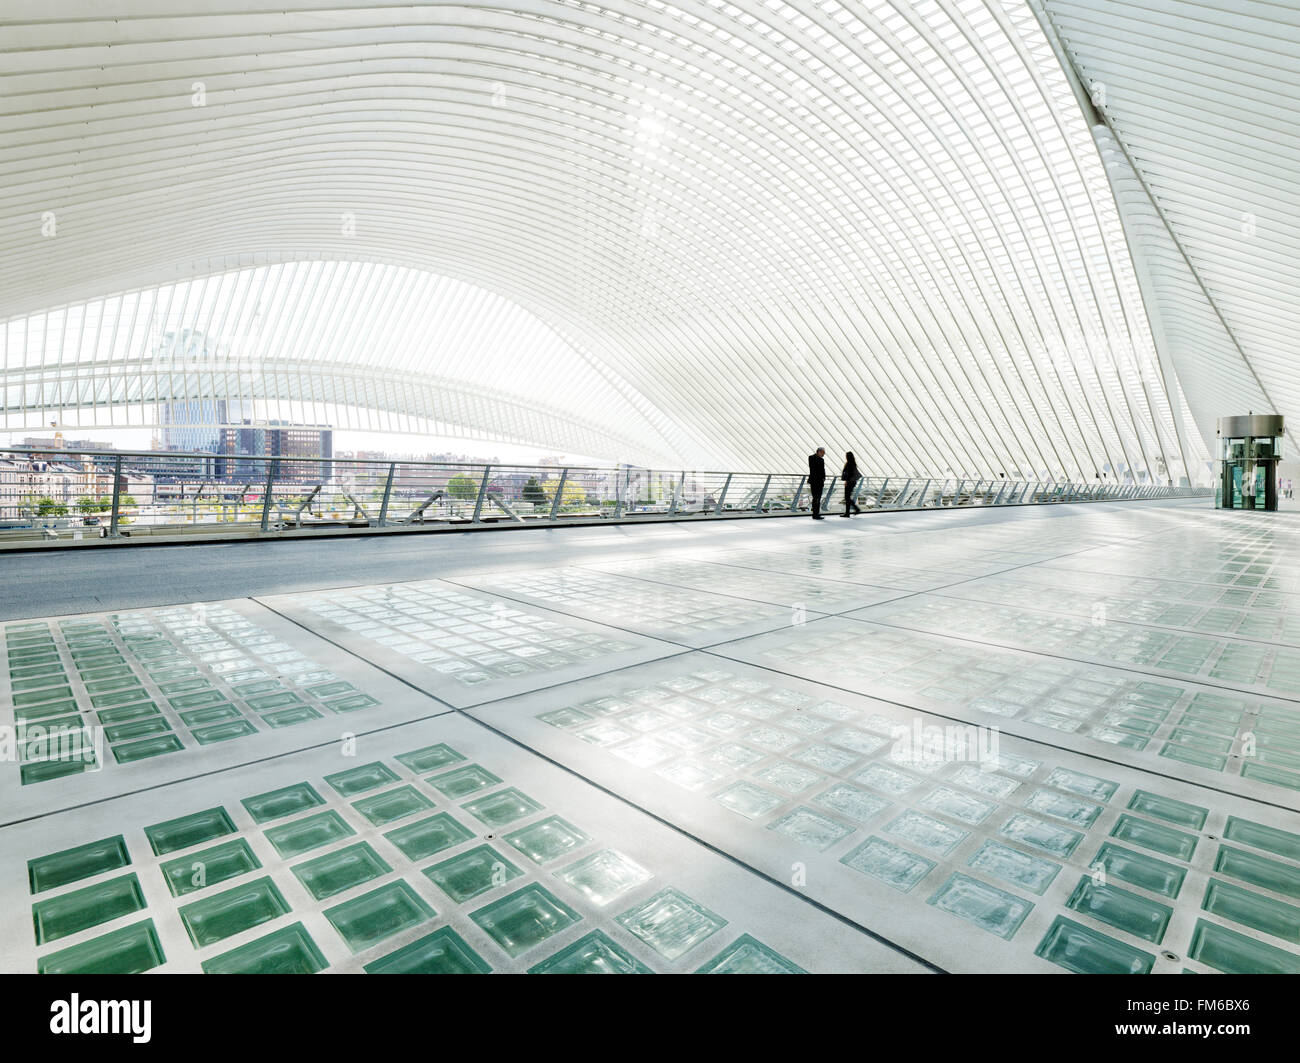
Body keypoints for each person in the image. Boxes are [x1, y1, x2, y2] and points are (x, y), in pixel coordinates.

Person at [840, 451, 861, 517]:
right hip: (852, 482)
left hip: (849, 482)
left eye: (846, 456)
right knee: (847, 497)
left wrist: (846, 481)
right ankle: (848, 512)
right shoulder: (853, 463)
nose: (845, 457)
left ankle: (854, 510)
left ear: (848, 456)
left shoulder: (849, 463)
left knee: (847, 497)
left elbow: (849, 474)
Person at [807, 447, 826, 519]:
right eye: (823, 453)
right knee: (816, 498)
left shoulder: (822, 459)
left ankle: (816, 513)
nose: (823, 454)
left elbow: (823, 469)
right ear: (819, 452)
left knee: (818, 497)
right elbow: (813, 468)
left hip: (820, 481)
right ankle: (815, 514)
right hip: (815, 481)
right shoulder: (811, 457)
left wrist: (823, 478)